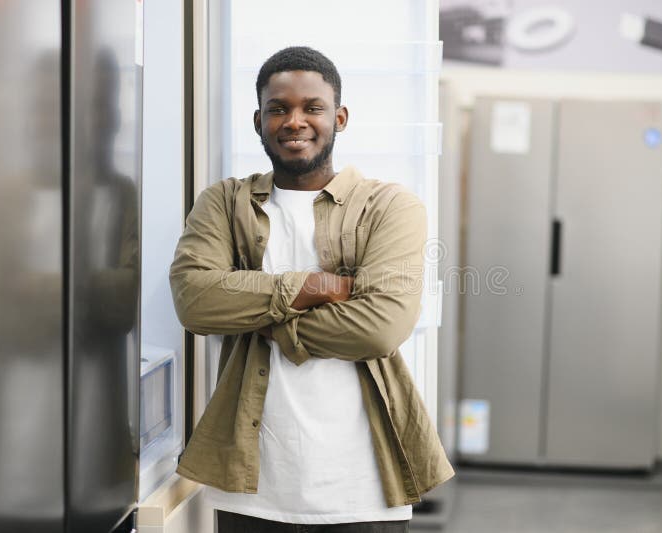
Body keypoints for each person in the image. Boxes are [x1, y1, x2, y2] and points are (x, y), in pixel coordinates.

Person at [169, 46, 453, 533]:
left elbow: (381, 328)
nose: (294, 121)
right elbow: (195, 301)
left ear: (339, 118)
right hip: (252, 491)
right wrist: (312, 286)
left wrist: (266, 321)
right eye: (278, 108)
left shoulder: (388, 206)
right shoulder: (225, 202)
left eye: (312, 108)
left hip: (364, 489)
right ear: (259, 120)